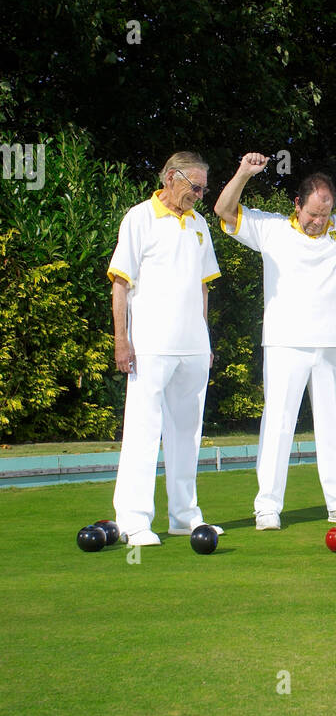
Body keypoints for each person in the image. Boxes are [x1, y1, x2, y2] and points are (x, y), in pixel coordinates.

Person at [214, 152, 336, 528]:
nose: (317, 221)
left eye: (324, 215)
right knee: (278, 424)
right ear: (297, 205)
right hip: (283, 343)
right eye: (312, 213)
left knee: (333, 424)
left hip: (331, 344)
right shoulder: (271, 229)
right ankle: (267, 507)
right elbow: (224, 210)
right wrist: (244, 174)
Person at [108, 152, 222, 547]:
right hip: (150, 346)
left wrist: (204, 339)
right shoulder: (138, 218)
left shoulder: (201, 225)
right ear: (171, 178)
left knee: (187, 433)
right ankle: (134, 521)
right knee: (142, 430)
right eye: (195, 186)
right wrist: (122, 340)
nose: (200, 194)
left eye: (204, 188)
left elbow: (203, 287)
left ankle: (184, 516)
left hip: (192, 347)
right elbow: (120, 284)